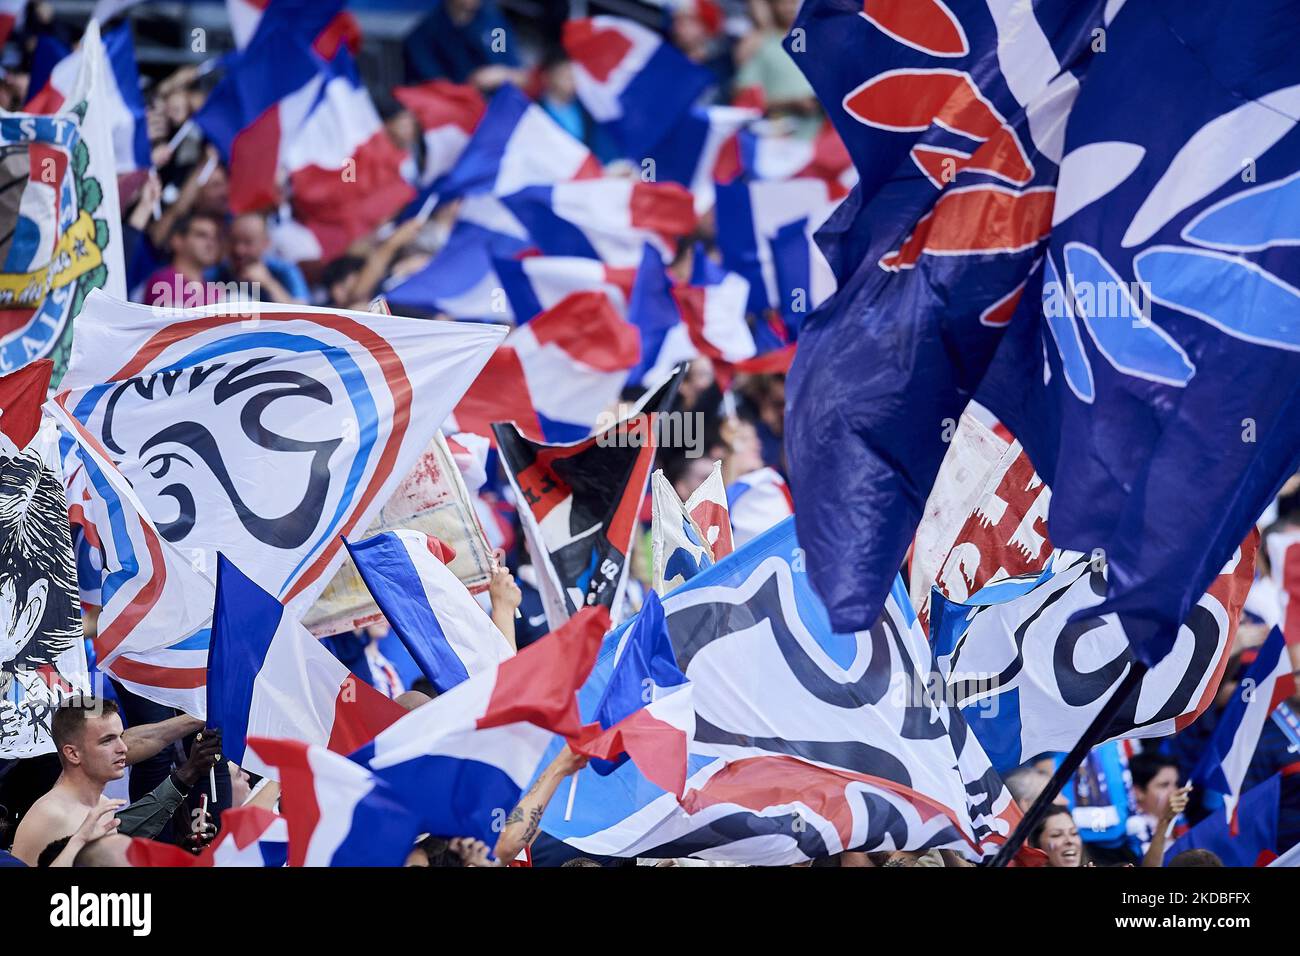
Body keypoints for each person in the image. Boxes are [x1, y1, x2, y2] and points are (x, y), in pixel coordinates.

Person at [9, 698, 221, 865]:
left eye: (120, 736)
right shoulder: (51, 815)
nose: (123, 748)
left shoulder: (102, 804)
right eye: (107, 741)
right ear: (73, 754)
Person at [207, 212, 309, 304]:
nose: (239, 250)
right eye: (234, 241)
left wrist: (268, 283)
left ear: (266, 243)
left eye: (248, 242)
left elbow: (302, 314)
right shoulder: (216, 272)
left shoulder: (284, 270)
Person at [144, 211, 223, 310]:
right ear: (178, 241)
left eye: (215, 238)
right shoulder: (162, 283)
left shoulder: (217, 293)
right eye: (201, 235)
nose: (211, 244)